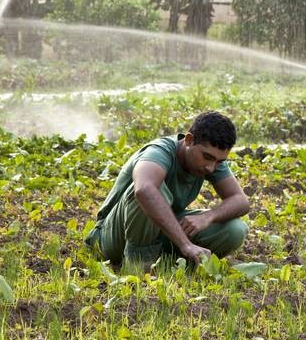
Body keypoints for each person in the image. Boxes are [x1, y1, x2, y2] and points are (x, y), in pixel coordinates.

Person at [85, 111, 250, 267]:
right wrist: (185, 244)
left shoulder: (211, 161)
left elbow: (240, 200)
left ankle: (171, 263)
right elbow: (144, 190)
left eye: (219, 162)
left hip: (156, 232)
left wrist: (208, 216)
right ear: (189, 140)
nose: (211, 168)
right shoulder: (159, 151)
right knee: (154, 191)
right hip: (111, 238)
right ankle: (138, 264)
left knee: (235, 230)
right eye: (207, 157)